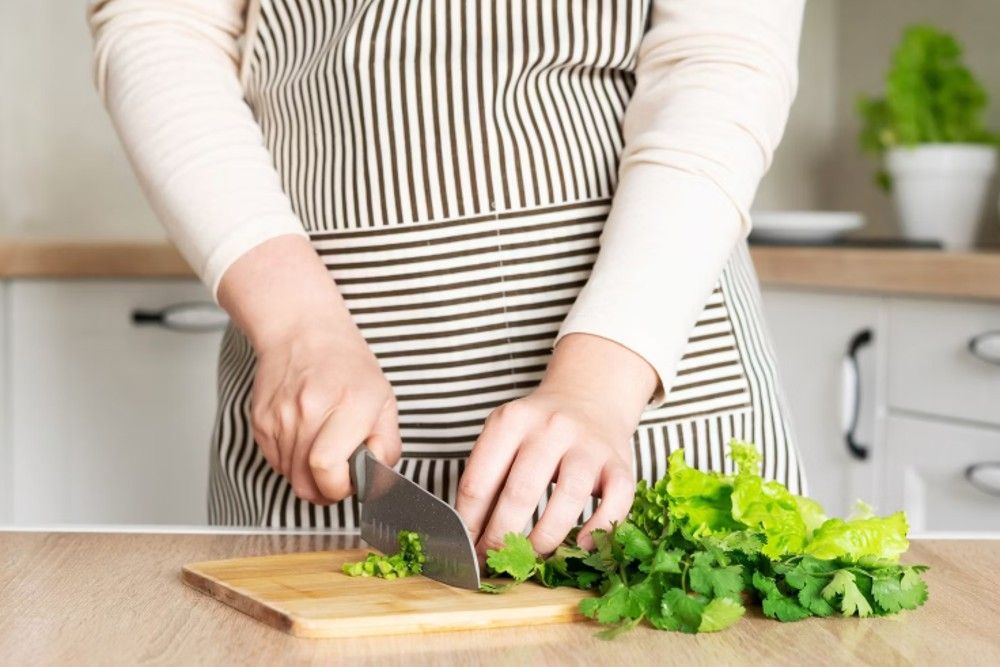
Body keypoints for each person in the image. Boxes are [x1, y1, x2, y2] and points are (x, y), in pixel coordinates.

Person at [89, 0, 806, 557]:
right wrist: (295, 324)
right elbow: (162, 25)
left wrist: (601, 382)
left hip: (644, 397)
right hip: (317, 417)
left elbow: (721, 53)